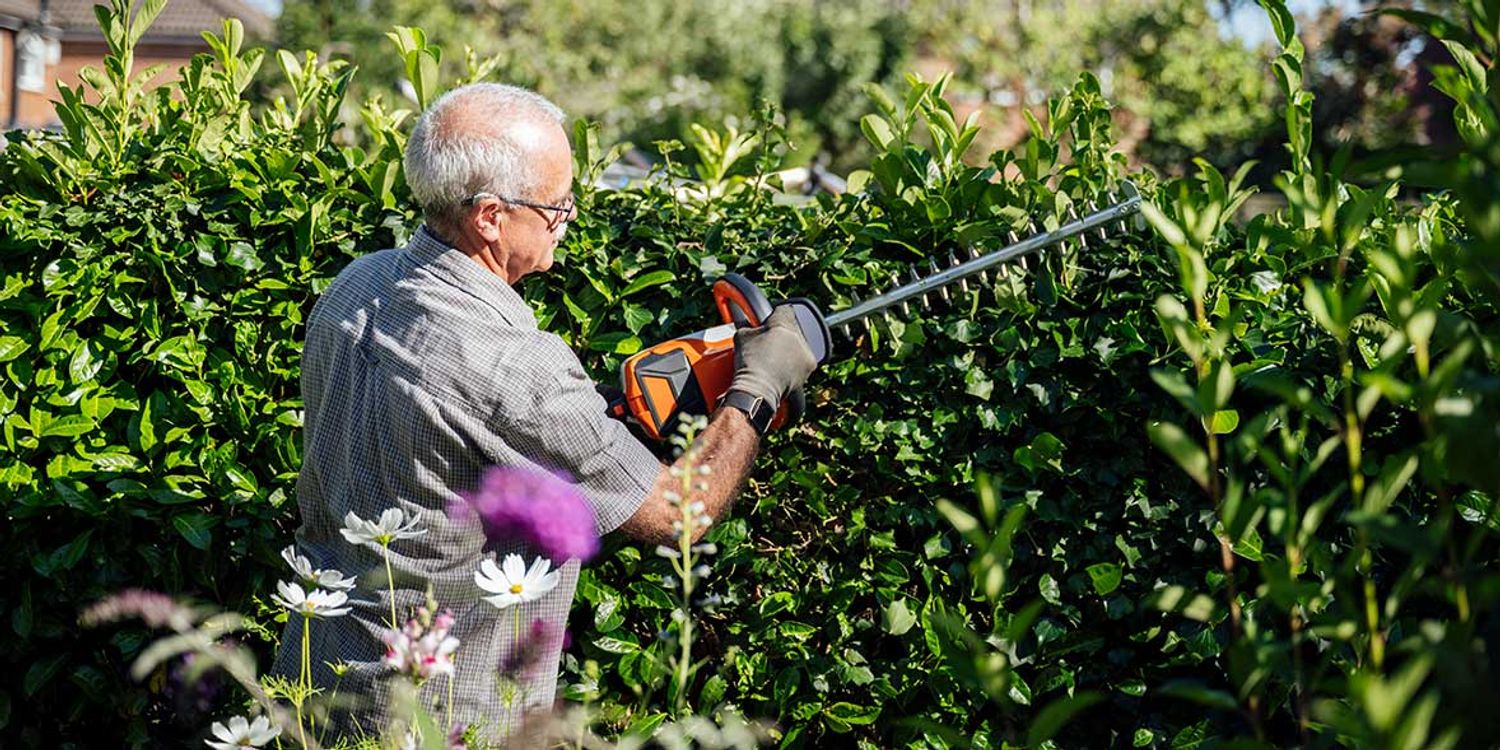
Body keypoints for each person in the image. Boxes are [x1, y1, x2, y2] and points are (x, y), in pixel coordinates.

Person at [269, 82, 818, 740]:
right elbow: (679, 514)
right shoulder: (513, 362)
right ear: (491, 217)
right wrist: (757, 387)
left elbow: (454, 450)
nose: (571, 217)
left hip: (316, 681)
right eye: (558, 206)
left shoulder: (355, 283)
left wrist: (606, 425)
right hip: (444, 721)